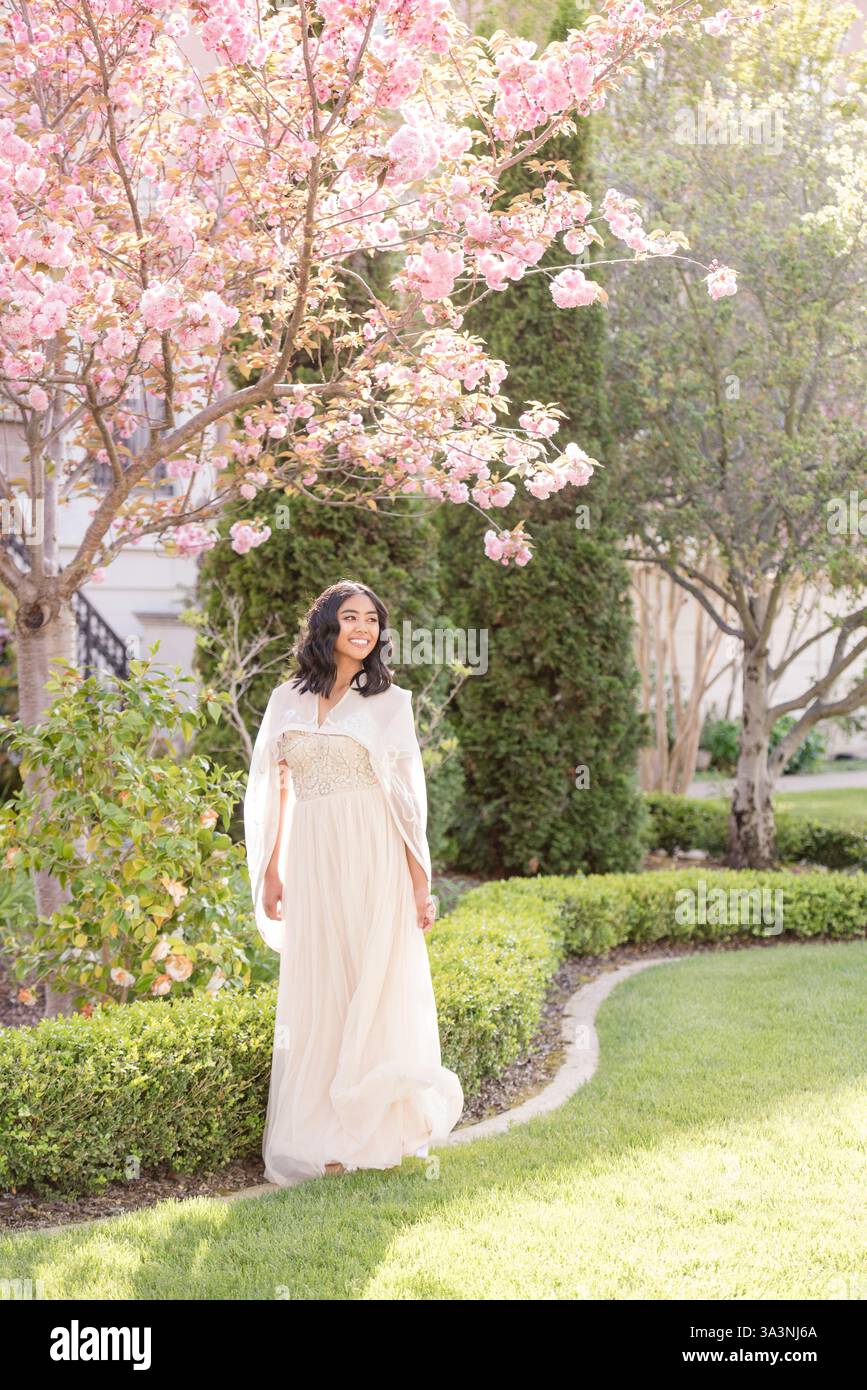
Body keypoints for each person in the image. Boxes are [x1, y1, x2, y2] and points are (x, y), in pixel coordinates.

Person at [244, 579, 464, 1184]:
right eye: (351, 617)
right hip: (312, 854)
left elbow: (406, 800)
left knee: (371, 983)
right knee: (320, 988)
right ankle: (318, 1134)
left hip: (373, 854)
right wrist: (270, 868)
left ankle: (365, 1130)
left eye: (372, 619)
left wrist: (421, 882)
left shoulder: (390, 702)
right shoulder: (286, 698)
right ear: (327, 627)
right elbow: (275, 788)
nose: (363, 628)